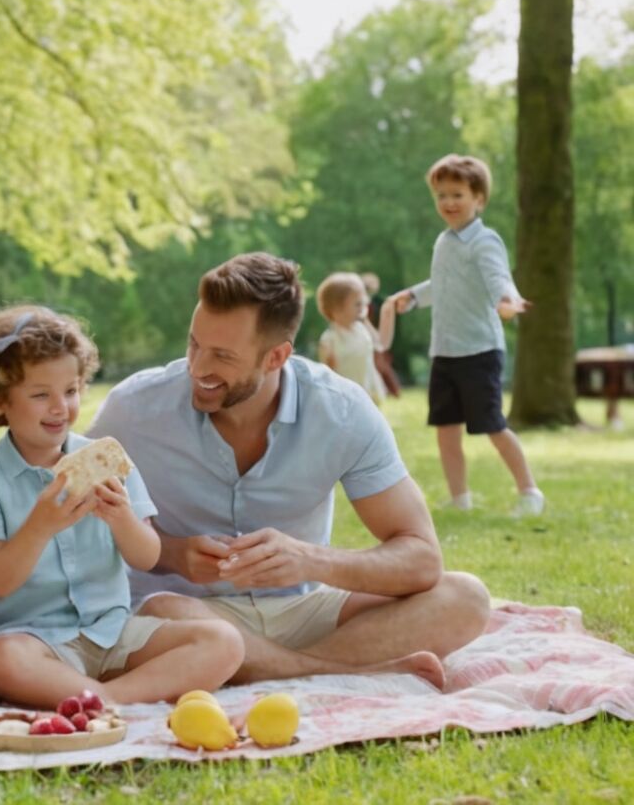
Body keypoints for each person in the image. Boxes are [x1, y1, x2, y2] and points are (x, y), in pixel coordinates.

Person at [87, 251, 491, 688]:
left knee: (464, 598)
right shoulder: (134, 409)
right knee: (161, 611)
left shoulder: (341, 411)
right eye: (194, 344)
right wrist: (173, 555)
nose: (199, 368)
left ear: (276, 357)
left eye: (222, 355)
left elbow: (421, 558)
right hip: (186, 614)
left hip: (302, 612)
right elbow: (71, 520)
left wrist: (309, 561)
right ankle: (330, 671)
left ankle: (262, 669)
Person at [0, 306, 243, 708]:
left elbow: (147, 556)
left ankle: (102, 699)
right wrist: (39, 525)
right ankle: (102, 695)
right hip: (34, 639)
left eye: (71, 391)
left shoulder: (106, 458)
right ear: (0, 401)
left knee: (224, 642)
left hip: (112, 632)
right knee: (2, 663)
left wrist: (122, 517)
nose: (60, 408)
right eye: (41, 395)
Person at [391, 155, 544, 517]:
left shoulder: (485, 241)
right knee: (446, 429)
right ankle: (460, 499)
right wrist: (413, 296)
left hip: (479, 351)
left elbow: (497, 278)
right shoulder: (445, 241)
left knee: (493, 426)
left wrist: (507, 301)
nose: (448, 203)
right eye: (441, 195)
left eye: (457, 194)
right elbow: (442, 285)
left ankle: (530, 492)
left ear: (479, 199)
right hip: (444, 352)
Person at [315, 271, 397, 404]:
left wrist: (386, 314)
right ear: (337, 310)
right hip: (345, 398)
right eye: (357, 304)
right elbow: (328, 374)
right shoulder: (329, 340)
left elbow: (381, 344)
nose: (363, 308)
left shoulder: (362, 328)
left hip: (368, 390)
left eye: (363, 304)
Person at [360, 271, 402, 397]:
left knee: (381, 365)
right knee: (378, 365)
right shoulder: (361, 304)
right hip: (366, 338)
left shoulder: (372, 303)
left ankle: (392, 390)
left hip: (371, 338)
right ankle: (390, 390)